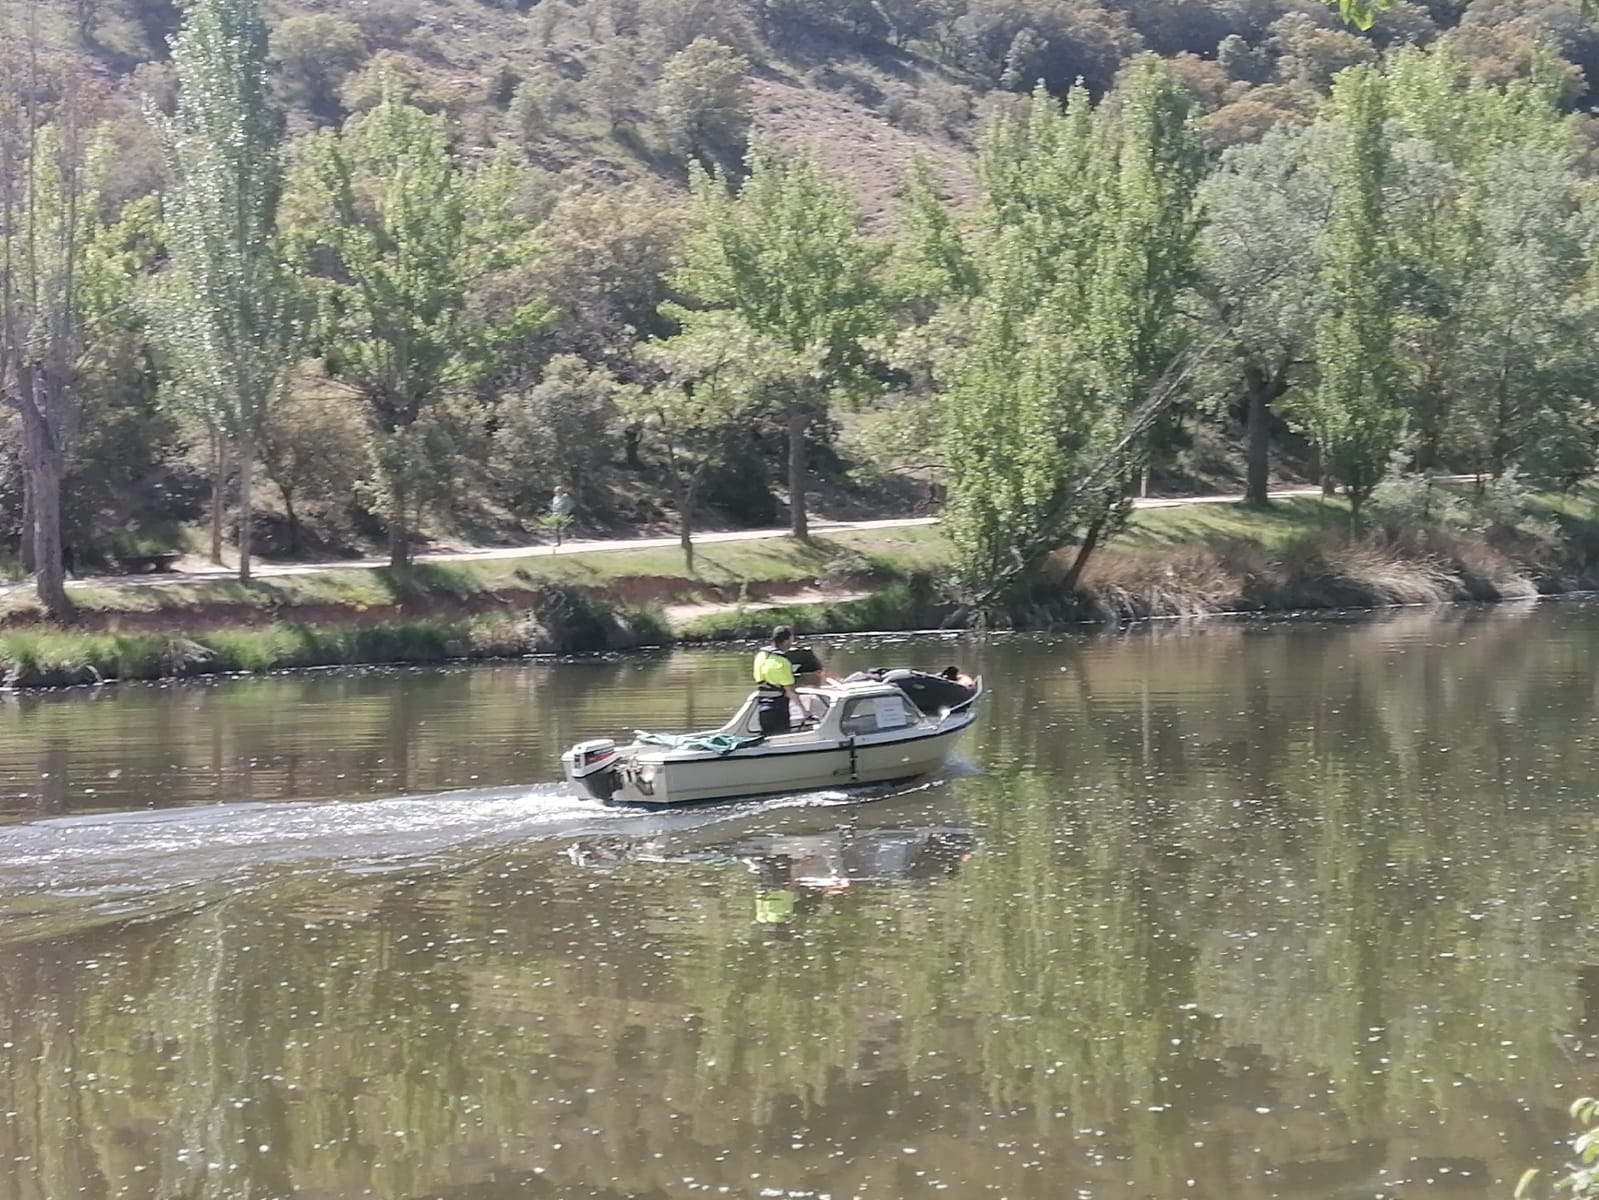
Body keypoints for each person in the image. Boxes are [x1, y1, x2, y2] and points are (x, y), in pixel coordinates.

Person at [752, 625, 803, 735]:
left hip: (763, 710)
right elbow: (790, 691)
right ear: (785, 641)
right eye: (791, 639)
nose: (792, 643)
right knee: (783, 742)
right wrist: (804, 711)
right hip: (778, 711)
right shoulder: (782, 662)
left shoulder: (760, 656)